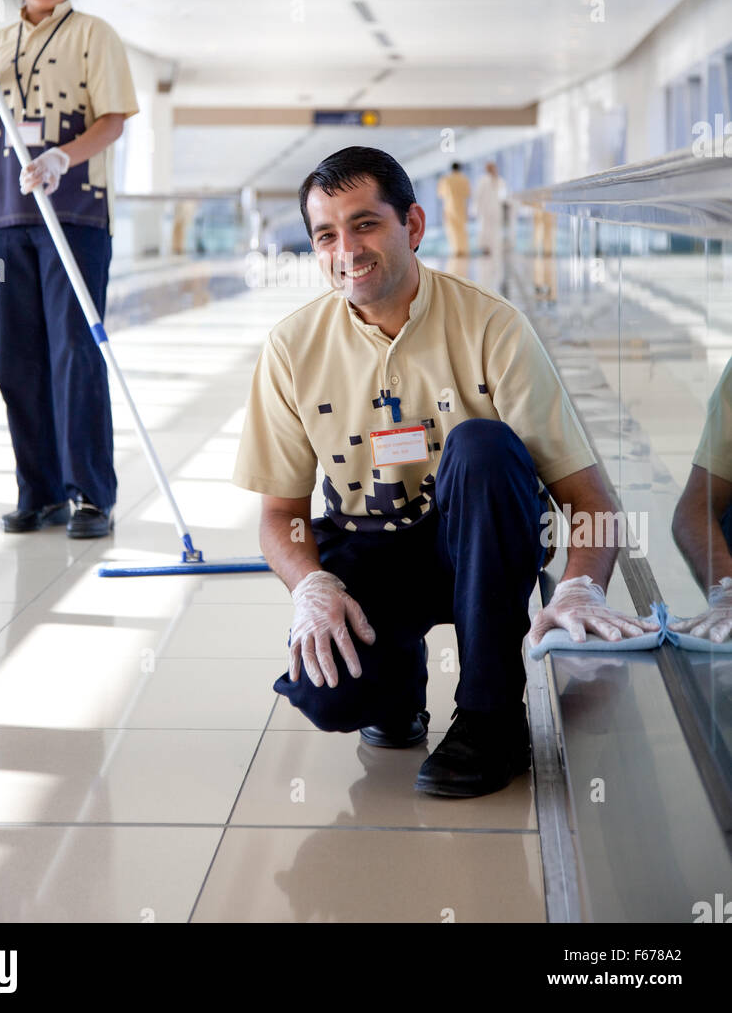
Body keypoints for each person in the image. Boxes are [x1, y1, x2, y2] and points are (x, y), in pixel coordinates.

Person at [233, 147, 649, 798]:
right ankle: (397, 682)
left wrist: (578, 590)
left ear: (414, 226)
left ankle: (491, 716)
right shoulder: (292, 348)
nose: (347, 249)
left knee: (481, 447)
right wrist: (309, 584)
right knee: (333, 697)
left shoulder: (493, 327)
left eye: (365, 224)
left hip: (476, 545)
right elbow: (279, 517)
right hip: (368, 542)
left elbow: (588, 498)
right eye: (326, 235)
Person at [0, 0, 139, 537]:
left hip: (76, 217)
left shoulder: (95, 35)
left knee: (74, 354)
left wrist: (65, 156)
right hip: (9, 217)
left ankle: (91, 493)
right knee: (21, 362)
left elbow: (113, 120)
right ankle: (38, 493)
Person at [437, 160, 470, 257]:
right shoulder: (464, 180)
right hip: (461, 207)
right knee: (462, 229)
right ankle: (463, 250)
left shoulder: (446, 180)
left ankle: (456, 250)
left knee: (452, 229)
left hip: (450, 207)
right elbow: (467, 193)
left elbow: (441, 194)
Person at [474, 159, 507, 255]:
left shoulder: (500, 180)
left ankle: (495, 247)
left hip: (496, 208)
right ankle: (486, 248)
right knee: (485, 228)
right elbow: (478, 196)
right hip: (485, 209)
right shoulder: (483, 180)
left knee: (496, 228)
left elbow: (503, 195)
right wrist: (478, 208)